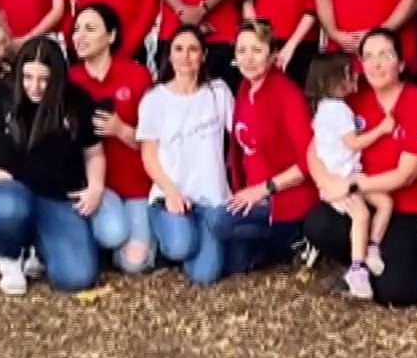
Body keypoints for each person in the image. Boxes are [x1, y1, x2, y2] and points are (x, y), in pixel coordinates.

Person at [0, 36, 107, 295]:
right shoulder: (0, 96)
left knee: (77, 277)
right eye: (28, 77)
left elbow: (94, 153)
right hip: (9, 192)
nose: (35, 87)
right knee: (5, 206)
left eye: (44, 79)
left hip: (58, 197)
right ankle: (10, 258)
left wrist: (95, 187)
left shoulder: (76, 101)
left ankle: (38, 247)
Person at [303, 29, 417, 307]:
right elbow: (314, 148)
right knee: (318, 224)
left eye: (385, 55)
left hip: (408, 207)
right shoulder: (350, 100)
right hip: (365, 200)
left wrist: (349, 185)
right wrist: (326, 183)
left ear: (401, 64)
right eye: (368, 56)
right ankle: (363, 262)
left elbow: (406, 175)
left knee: (398, 292)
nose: (376, 64)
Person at [143, 26, 259, 286]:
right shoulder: (154, 99)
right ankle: (175, 232)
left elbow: (242, 132)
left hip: (212, 201)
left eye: (193, 49)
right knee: (180, 247)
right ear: (169, 55)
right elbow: (149, 156)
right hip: (171, 197)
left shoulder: (218, 92)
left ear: (204, 55)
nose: (186, 56)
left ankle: (208, 236)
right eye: (179, 49)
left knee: (205, 276)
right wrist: (171, 193)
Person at [65, 3, 156, 275]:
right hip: (96, 187)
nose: (80, 36)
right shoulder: (70, 79)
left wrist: (121, 130)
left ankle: (121, 245)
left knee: (135, 263)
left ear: (111, 36)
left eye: (90, 29)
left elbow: (157, 142)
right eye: (77, 30)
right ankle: (104, 239)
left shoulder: (137, 74)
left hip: (137, 184)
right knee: (112, 234)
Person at [302, 53, 393, 298]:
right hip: (342, 177)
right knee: (362, 215)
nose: (356, 76)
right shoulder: (338, 110)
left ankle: (373, 248)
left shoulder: (324, 108)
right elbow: (353, 143)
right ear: (333, 80)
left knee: (384, 202)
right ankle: (357, 267)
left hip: (347, 173)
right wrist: (382, 130)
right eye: (349, 73)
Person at [227, 18, 317, 259]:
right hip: (251, 198)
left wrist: (263, 190)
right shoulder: (245, 89)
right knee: (231, 260)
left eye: (257, 50)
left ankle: (297, 238)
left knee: (217, 223)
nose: (248, 58)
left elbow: (310, 162)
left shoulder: (288, 96)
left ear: (273, 54)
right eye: (242, 50)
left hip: (282, 200)